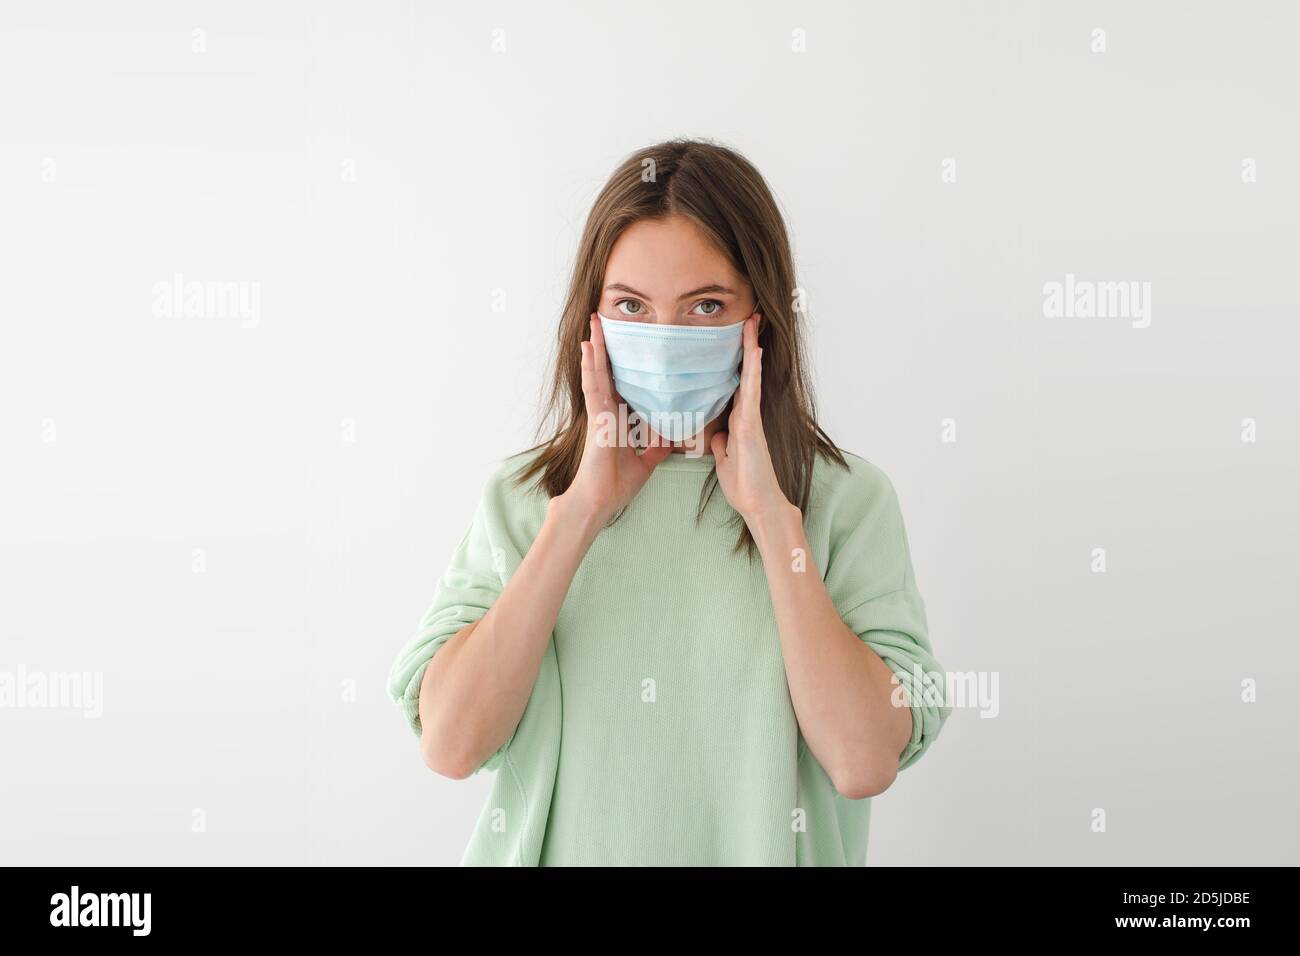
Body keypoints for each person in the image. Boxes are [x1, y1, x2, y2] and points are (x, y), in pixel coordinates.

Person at [387, 138, 950, 865]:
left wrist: (775, 522)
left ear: (763, 321)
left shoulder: (846, 503)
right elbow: (453, 745)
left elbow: (862, 759)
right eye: (632, 306)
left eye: (706, 306)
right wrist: (582, 510)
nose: (662, 341)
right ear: (592, 319)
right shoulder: (526, 501)